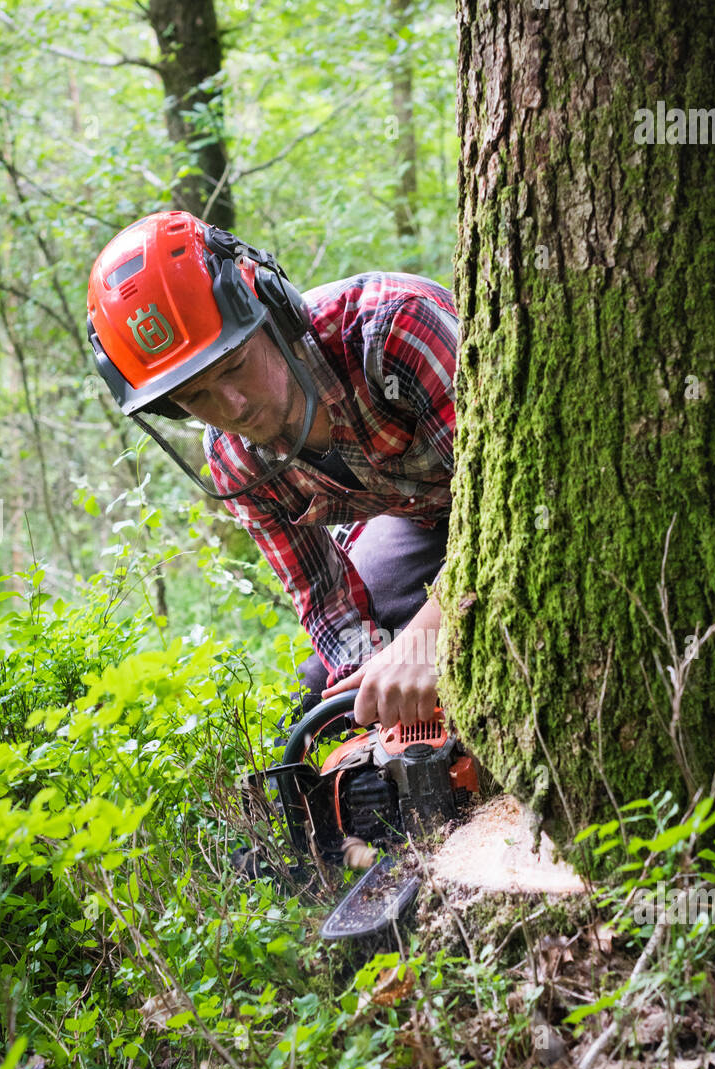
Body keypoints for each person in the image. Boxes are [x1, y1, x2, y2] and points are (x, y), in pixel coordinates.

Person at [87, 209, 457, 729]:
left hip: (497, 506)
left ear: (275, 312)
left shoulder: (395, 330)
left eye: (235, 366)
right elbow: (327, 600)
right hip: (414, 521)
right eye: (197, 397)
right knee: (323, 689)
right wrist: (375, 685)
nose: (233, 407)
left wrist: (430, 635)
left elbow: (510, 509)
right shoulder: (235, 462)